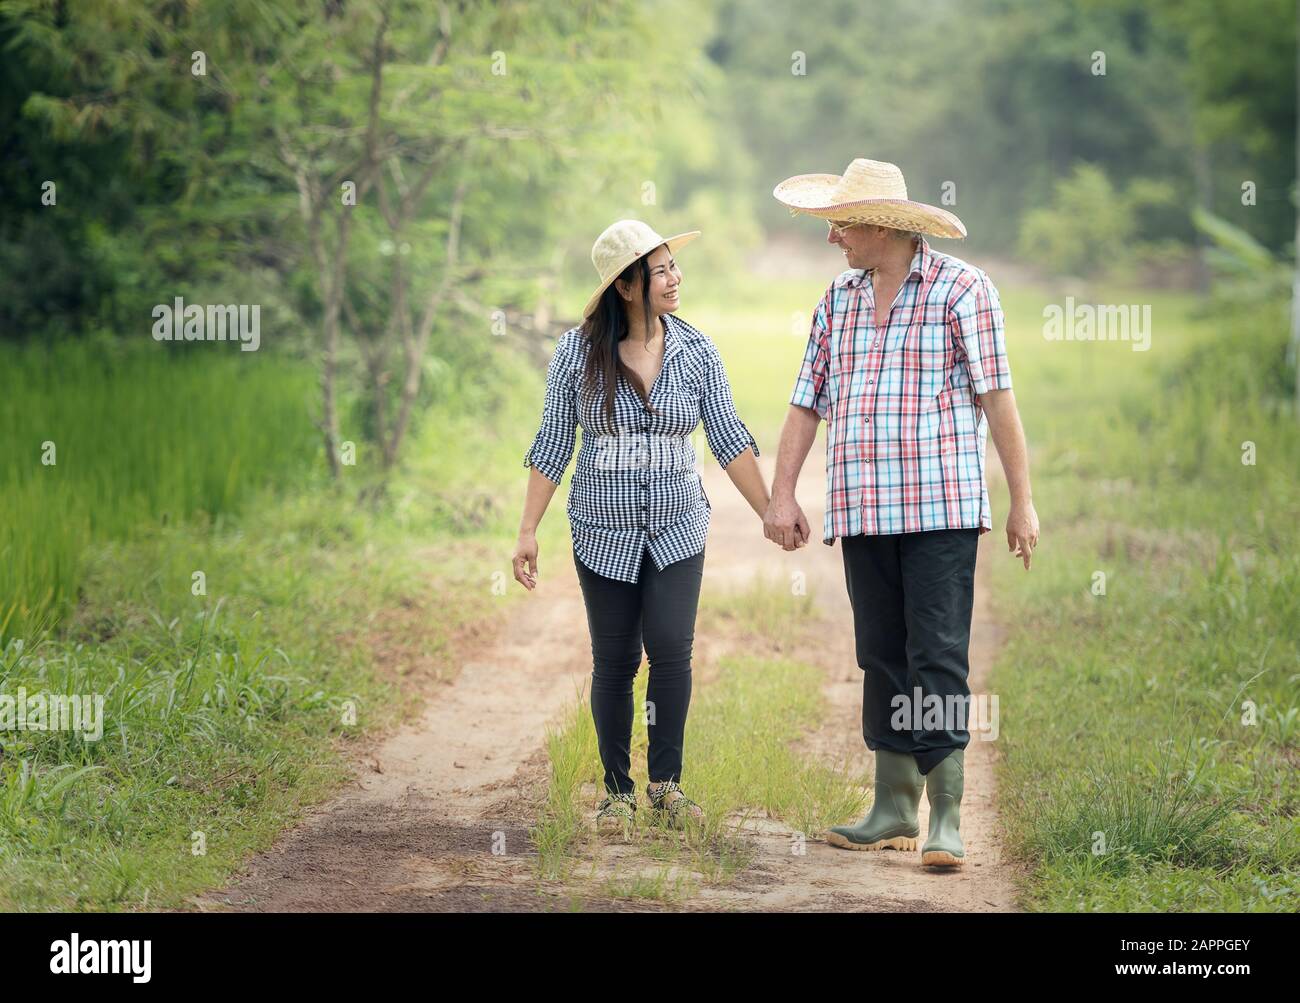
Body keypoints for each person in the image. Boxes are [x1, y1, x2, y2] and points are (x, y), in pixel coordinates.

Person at [764, 158, 1039, 867]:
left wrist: (1022, 501)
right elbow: (806, 400)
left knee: (937, 654)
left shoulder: (962, 291)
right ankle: (892, 806)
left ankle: (946, 811)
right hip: (863, 509)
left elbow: (997, 401)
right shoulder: (838, 300)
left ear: (880, 226)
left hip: (940, 509)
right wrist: (782, 491)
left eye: (840, 225)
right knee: (881, 654)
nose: (832, 239)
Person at [514, 219, 772, 834]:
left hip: (679, 524)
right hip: (603, 531)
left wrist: (771, 510)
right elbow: (553, 445)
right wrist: (527, 530)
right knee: (615, 659)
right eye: (660, 271)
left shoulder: (697, 350)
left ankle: (665, 785)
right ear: (627, 286)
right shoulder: (576, 356)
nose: (675, 278)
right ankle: (616, 792)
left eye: (672, 267)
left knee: (672, 649)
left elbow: (729, 437)